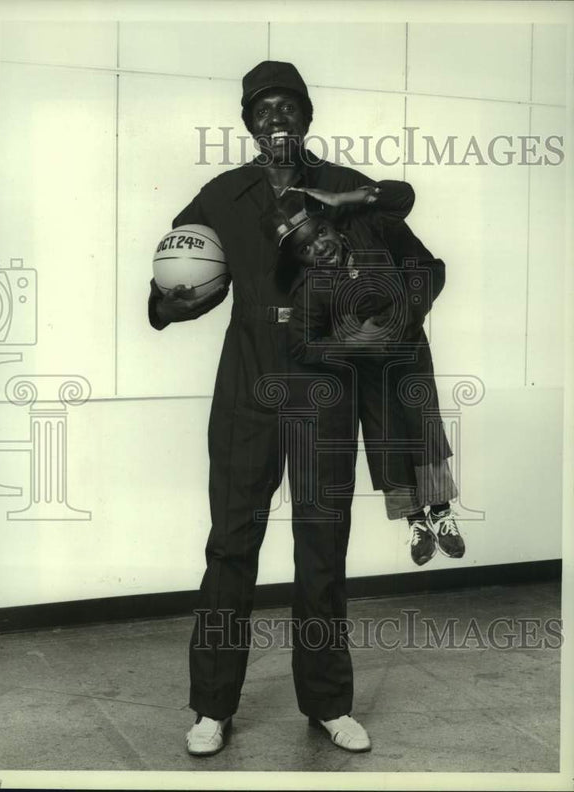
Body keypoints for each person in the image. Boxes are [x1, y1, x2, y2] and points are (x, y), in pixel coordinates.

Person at [148, 61, 416, 757]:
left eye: (288, 106)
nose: (276, 118)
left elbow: (405, 233)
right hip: (249, 385)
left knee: (322, 547)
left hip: (325, 386)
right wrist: (168, 306)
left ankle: (328, 703)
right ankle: (212, 707)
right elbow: (180, 278)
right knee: (231, 545)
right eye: (263, 108)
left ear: (306, 117)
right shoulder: (223, 195)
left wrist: (378, 317)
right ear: (247, 122)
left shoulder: (341, 185)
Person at [264, 187, 465, 566]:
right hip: (368, 368)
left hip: (409, 349)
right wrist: (349, 341)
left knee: (423, 425)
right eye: (305, 249)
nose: (319, 247)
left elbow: (410, 218)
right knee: (385, 436)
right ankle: (415, 520)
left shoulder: (371, 233)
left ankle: (441, 511)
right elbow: (301, 345)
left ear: (332, 223)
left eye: (320, 232)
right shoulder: (311, 288)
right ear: (298, 260)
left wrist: (398, 319)